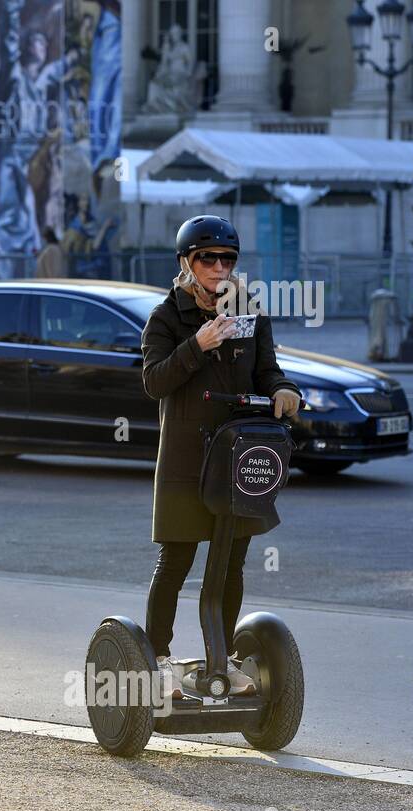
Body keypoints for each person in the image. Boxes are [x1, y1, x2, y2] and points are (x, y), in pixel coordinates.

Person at [141, 215, 301, 696]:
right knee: (177, 561)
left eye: (226, 258)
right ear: (186, 263)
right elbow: (154, 382)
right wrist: (198, 344)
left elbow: (268, 372)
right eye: (207, 258)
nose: (218, 266)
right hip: (187, 461)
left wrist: (285, 389)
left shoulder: (250, 313)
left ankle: (225, 660)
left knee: (231, 563)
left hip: (238, 457)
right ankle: (159, 660)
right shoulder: (166, 317)